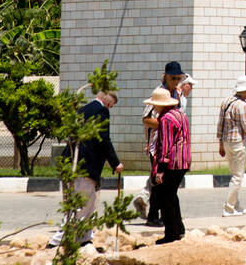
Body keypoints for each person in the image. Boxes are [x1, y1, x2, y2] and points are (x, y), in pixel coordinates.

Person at [49, 89, 123, 250]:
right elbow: (103, 139)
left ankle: (84, 239)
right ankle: (57, 242)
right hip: (85, 166)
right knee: (81, 206)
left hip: (70, 163)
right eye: (112, 105)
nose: (110, 108)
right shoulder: (101, 111)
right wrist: (115, 162)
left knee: (86, 204)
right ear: (109, 102)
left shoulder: (83, 110)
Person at [135, 61, 186, 223]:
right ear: (166, 77)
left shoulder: (177, 93)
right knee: (159, 180)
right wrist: (166, 124)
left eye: (179, 78)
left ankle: (163, 214)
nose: (176, 81)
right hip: (158, 144)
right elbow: (146, 119)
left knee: (166, 182)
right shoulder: (159, 93)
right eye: (173, 78)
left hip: (171, 144)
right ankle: (153, 215)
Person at [147, 86, 191, 245]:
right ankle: (179, 229)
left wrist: (160, 169)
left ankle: (171, 233)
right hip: (184, 160)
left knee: (165, 198)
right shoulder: (180, 115)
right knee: (171, 195)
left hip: (173, 162)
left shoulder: (165, 119)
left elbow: (166, 145)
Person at [217, 75, 246, 217]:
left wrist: (220, 143)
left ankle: (236, 205)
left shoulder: (226, 101)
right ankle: (229, 207)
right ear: (244, 91)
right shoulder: (243, 105)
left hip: (227, 141)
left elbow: (220, 124)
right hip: (238, 142)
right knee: (237, 177)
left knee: (234, 175)